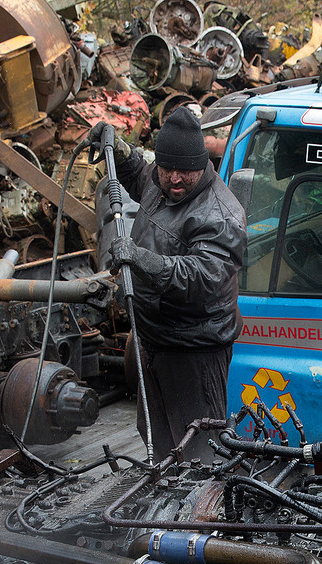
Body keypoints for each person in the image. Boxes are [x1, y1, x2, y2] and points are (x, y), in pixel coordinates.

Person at [88, 108, 246, 462]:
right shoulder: (160, 184)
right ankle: (161, 509)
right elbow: (141, 175)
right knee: (157, 440)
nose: (174, 179)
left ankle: (201, 515)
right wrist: (119, 149)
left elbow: (202, 275)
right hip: (154, 340)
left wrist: (140, 259)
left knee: (199, 451)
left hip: (194, 350)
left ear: (201, 165)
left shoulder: (219, 214)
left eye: (184, 171)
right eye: (166, 168)